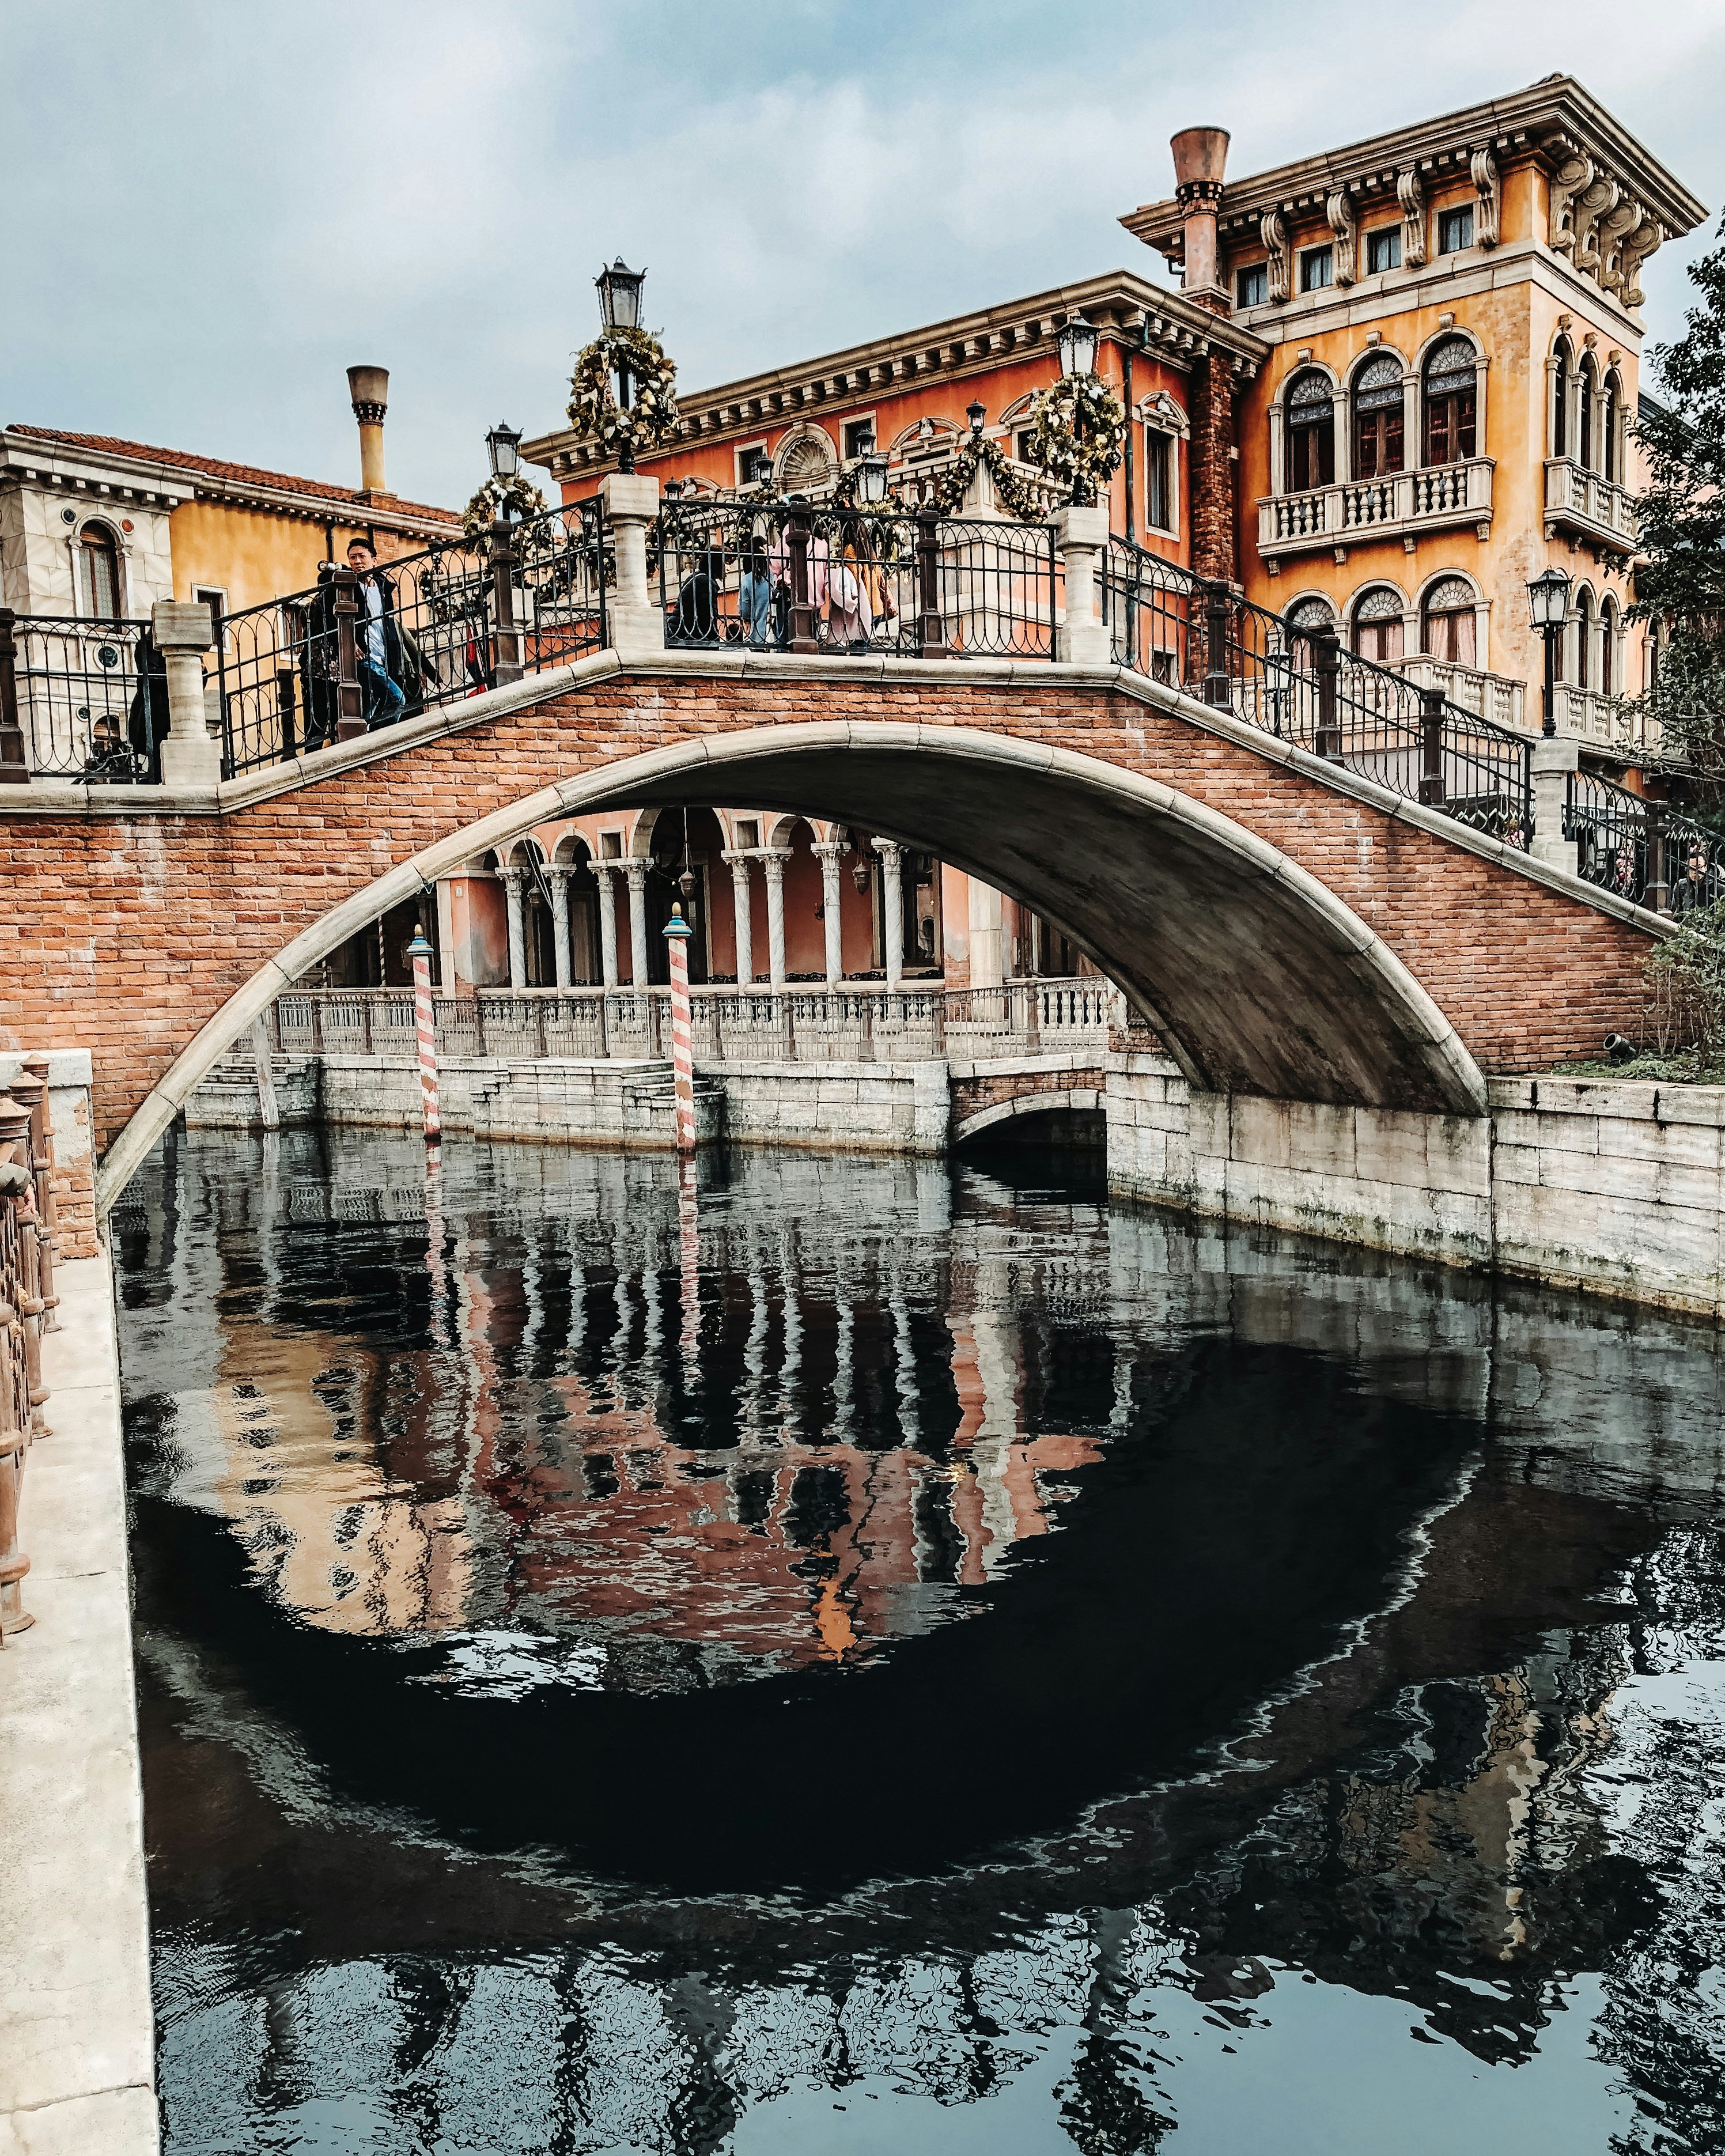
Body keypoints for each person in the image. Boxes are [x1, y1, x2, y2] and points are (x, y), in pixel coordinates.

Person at [346, 538, 408, 729]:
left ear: (374, 560)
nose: (357, 562)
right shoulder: (348, 587)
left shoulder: (383, 588)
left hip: (383, 654)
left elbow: (388, 623)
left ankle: (363, 743)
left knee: (368, 709)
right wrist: (350, 642)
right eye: (352, 558)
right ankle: (381, 739)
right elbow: (335, 621)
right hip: (364, 655)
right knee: (397, 699)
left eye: (361, 556)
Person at [126, 622, 169, 782]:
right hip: (154, 708)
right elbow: (150, 675)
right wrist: (176, 669)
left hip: (170, 709)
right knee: (158, 747)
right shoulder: (146, 645)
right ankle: (155, 778)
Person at [669, 547, 726, 644]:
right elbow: (707, 616)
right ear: (717, 565)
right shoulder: (706, 582)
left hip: (680, 632)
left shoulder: (697, 577)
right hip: (687, 635)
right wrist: (714, 642)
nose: (728, 568)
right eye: (726, 563)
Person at [737, 540, 773, 648]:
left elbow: (744, 606)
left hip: (757, 636)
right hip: (778, 634)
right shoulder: (776, 576)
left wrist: (746, 619)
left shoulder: (748, 580)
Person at [1674, 839, 1716, 914]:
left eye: (1699, 867)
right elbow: (1676, 910)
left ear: (1706, 868)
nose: (1695, 872)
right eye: (1692, 868)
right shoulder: (1681, 885)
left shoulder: (1716, 887)